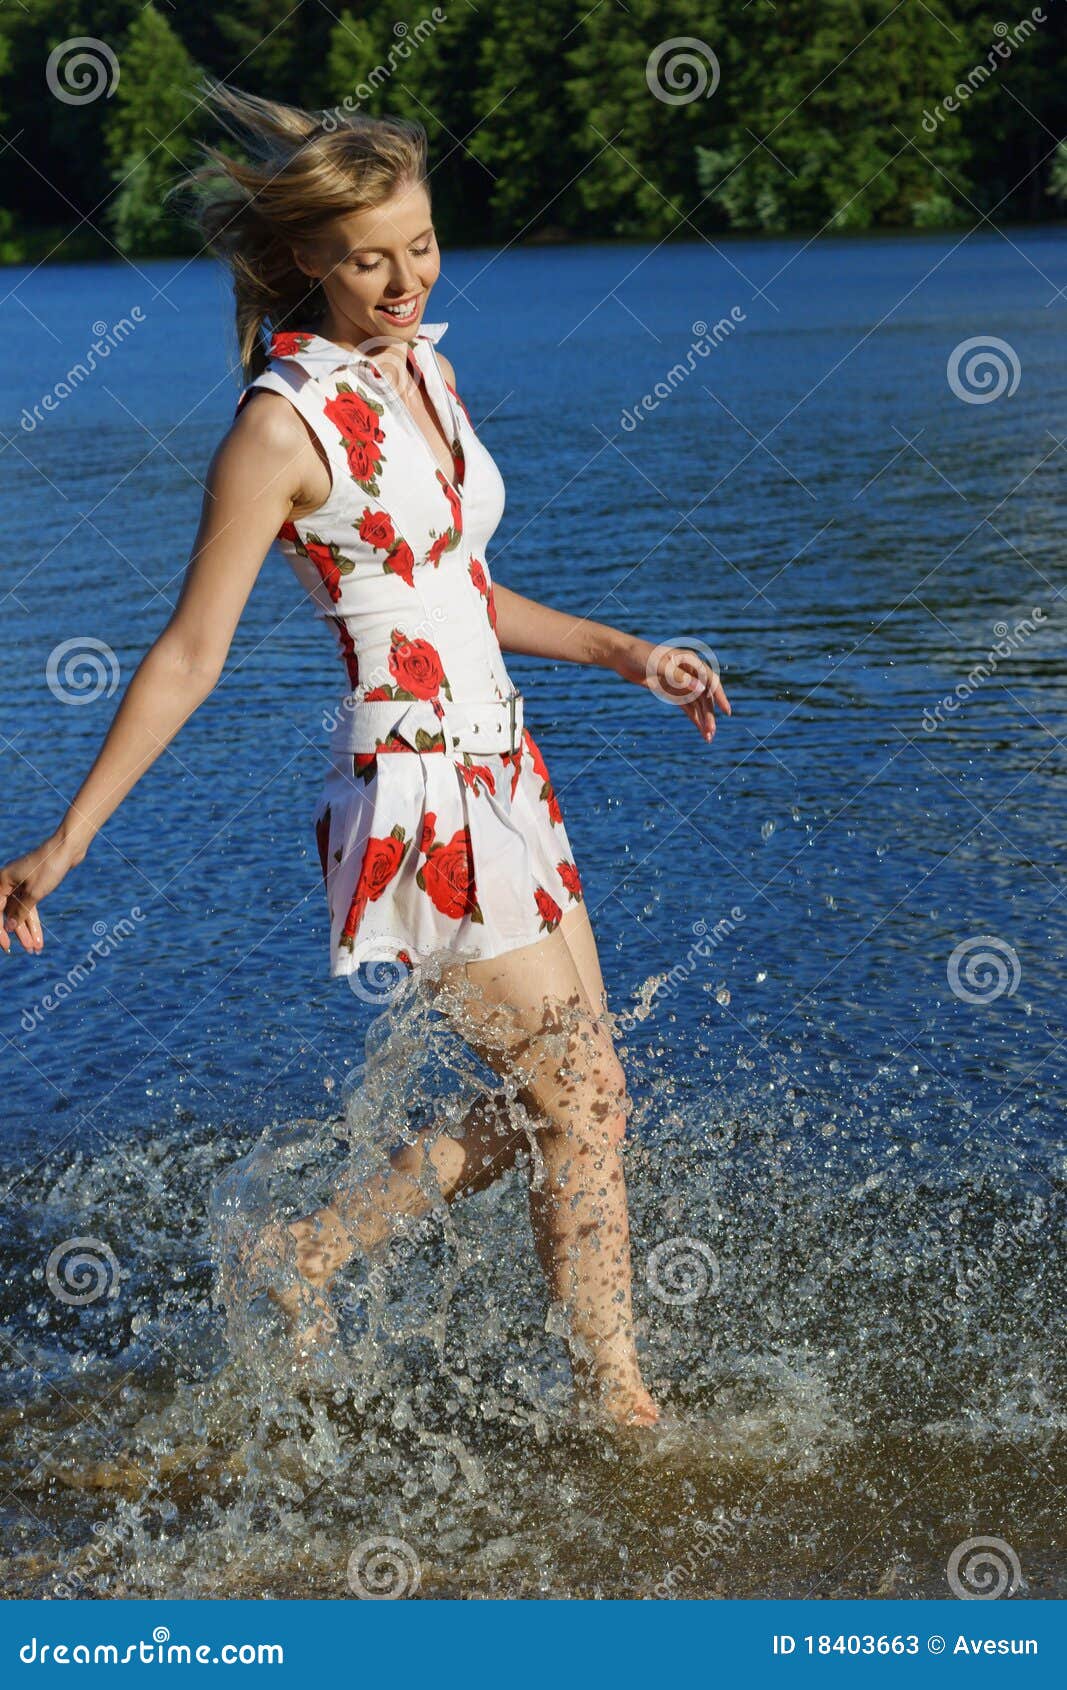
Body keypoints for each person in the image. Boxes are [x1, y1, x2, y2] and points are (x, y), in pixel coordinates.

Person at [0, 82, 729, 1427]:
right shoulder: (282, 424)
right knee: (575, 1094)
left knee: (587, 1094)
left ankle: (345, 1261)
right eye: (368, 257)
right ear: (307, 263)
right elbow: (187, 652)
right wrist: (70, 836)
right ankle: (610, 1406)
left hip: (506, 764)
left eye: (421, 244)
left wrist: (629, 652)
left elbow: (460, 589)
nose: (403, 278)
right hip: (414, 788)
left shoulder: (427, 372)